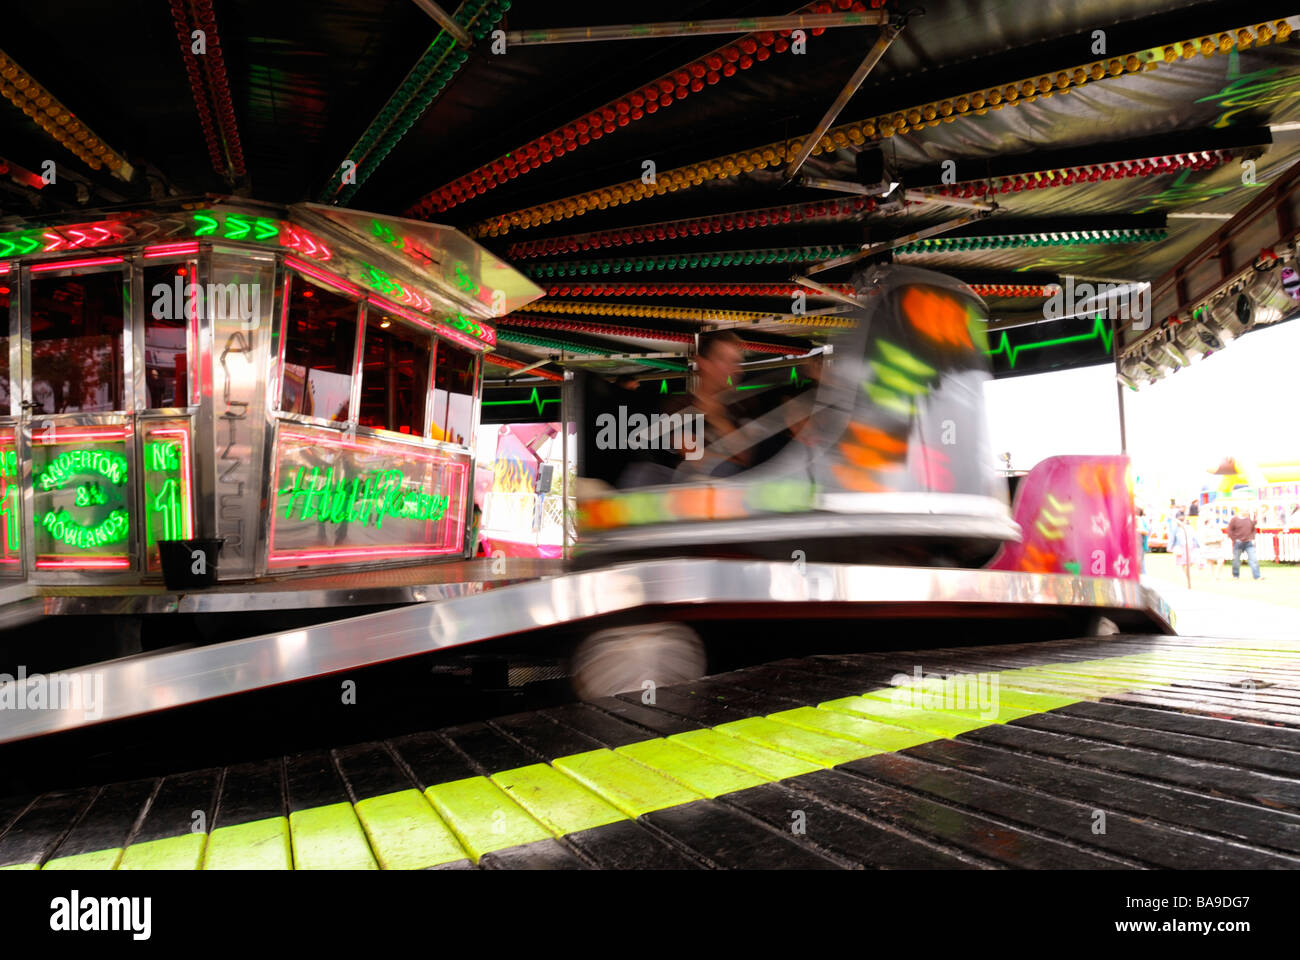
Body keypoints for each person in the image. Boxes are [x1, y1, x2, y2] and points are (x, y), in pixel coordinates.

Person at [1228, 507, 1263, 580]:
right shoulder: (1234, 520)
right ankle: (1235, 575)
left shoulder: (1248, 520)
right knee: (1236, 561)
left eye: (1247, 511)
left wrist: (1252, 538)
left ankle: (1257, 576)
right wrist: (1234, 539)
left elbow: (1253, 529)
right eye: (1246, 511)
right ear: (1241, 511)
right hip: (1238, 543)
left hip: (1248, 543)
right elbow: (1230, 530)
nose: (1247, 512)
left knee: (1253, 559)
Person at [1170, 510, 1198, 589]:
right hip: (1181, 547)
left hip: (1189, 546)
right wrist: (1171, 546)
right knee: (1183, 563)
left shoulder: (1189, 528)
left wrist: (1196, 545)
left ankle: (1187, 576)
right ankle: (1186, 577)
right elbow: (1173, 538)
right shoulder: (1176, 529)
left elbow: (1194, 537)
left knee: (1189, 562)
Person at [1199, 511, 1227, 581]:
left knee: (1221, 560)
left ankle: (1218, 575)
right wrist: (1214, 540)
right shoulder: (1204, 529)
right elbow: (1204, 540)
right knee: (1210, 563)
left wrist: (1217, 539)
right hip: (1209, 548)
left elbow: (1221, 537)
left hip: (1217, 548)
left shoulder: (1217, 529)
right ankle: (1212, 576)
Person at [1136, 508, 1150, 575]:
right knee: (1140, 565)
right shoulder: (1142, 519)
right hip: (1139, 544)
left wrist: (1135, 530)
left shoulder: (1139, 519)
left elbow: (1145, 531)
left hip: (1139, 545)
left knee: (1141, 566)